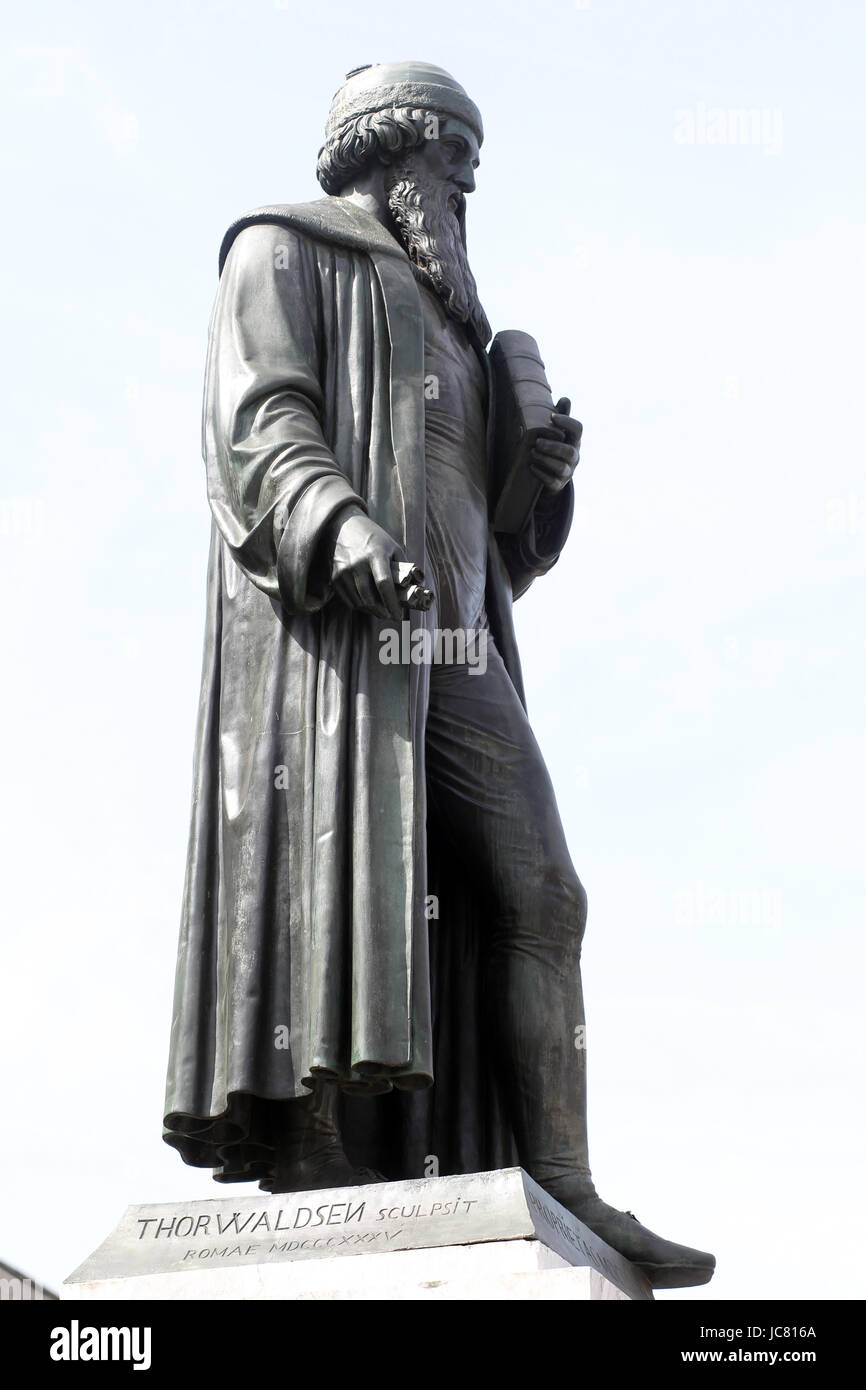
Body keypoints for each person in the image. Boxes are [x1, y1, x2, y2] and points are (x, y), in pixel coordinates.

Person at [163, 61, 714, 1289]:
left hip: (457, 649)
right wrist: (340, 523)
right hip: (344, 643)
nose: (467, 183)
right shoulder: (282, 252)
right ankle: (319, 1145)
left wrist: (540, 481)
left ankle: (560, 1177)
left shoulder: (465, 330)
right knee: (340, 882)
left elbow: (495, 539)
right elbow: (261, 418)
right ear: (388, 151)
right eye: (450, 154)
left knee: (543, 893)